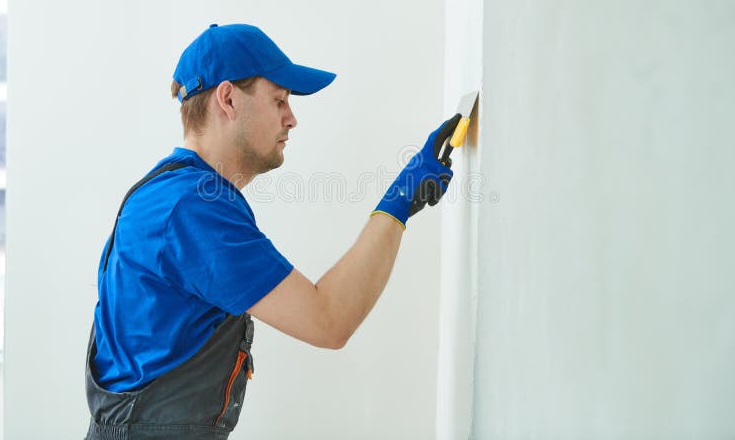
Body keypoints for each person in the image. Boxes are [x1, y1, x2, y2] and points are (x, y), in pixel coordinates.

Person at [84, 23, 460, 439]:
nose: (292, 118)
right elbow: (329, 319)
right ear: (227, 98)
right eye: (279, 99)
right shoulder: (193, 210)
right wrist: (400, 199)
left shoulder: (168, 192)